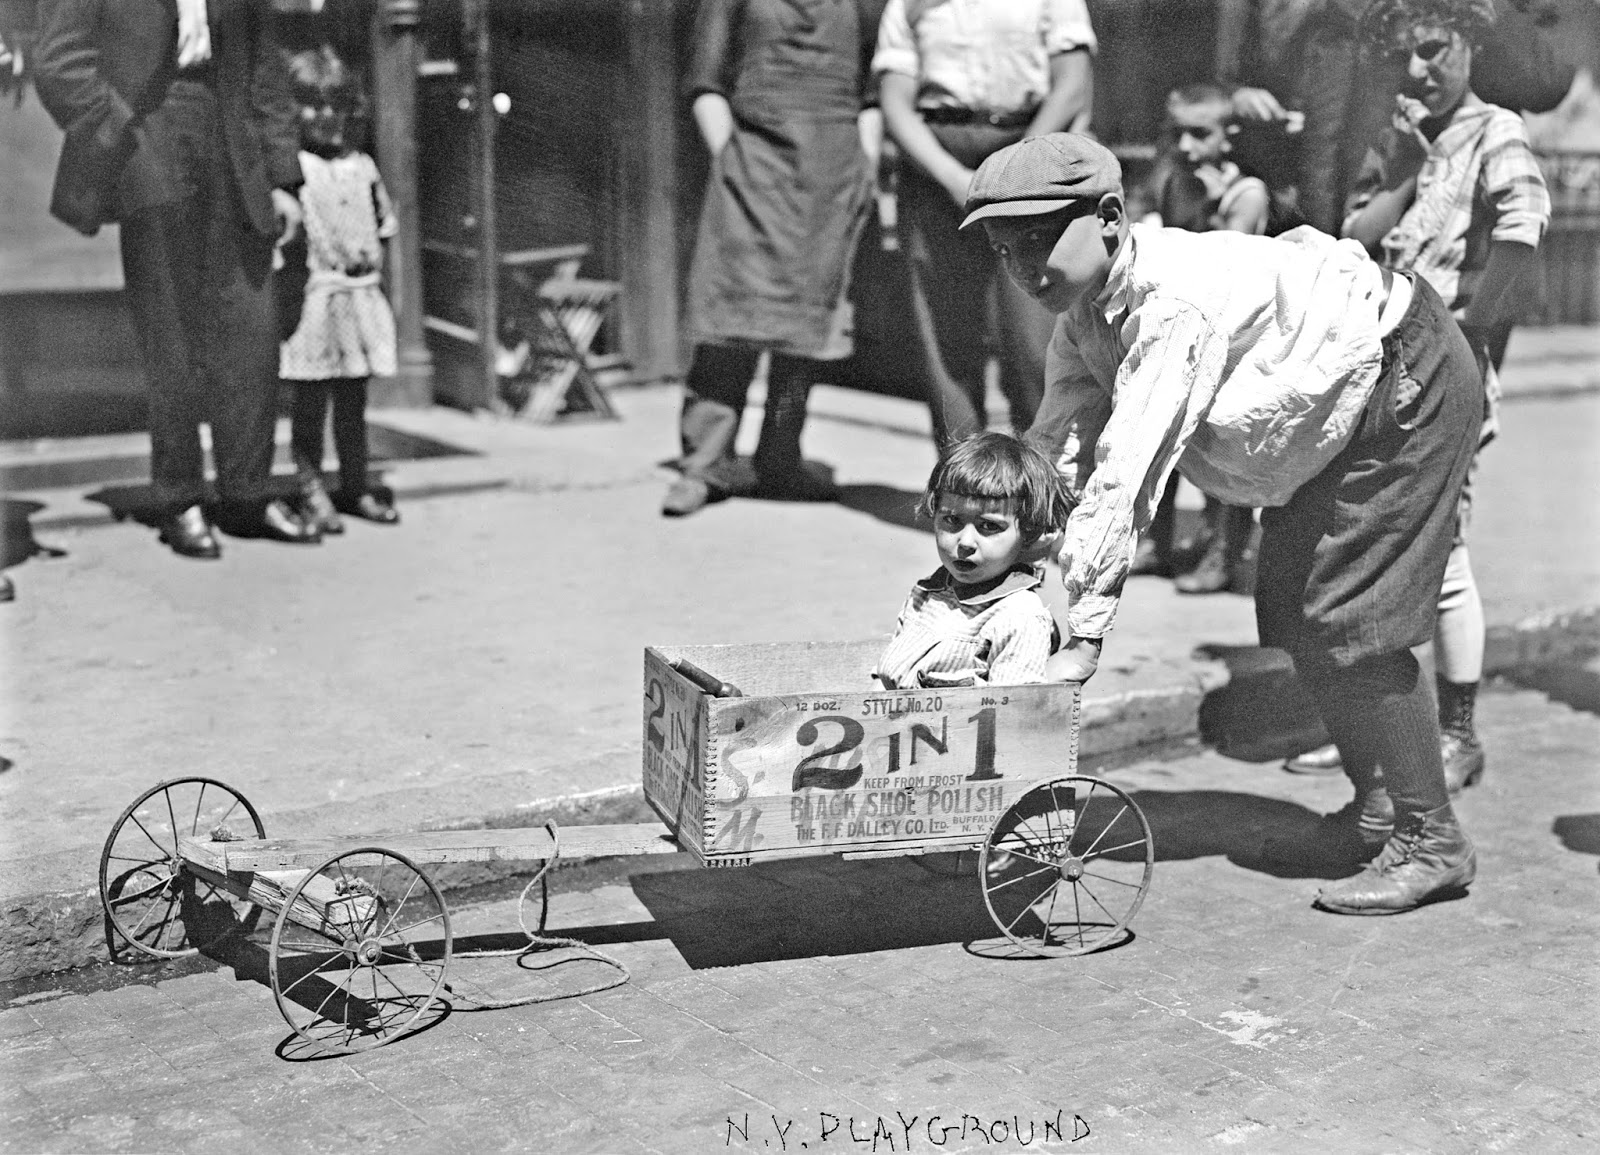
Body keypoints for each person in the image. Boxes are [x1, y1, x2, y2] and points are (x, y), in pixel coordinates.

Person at [964, 133, 1483, 916]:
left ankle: (1432, 834)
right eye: (1007, 251)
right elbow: (1059, 451)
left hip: (1405, 382)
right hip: (1346, 414)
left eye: (1040, 241)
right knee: (1289, 603)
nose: (1024, 267)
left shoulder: (1173, 302)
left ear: (1110, 219)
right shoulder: (1084, 320)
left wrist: (1084, 636)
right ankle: (1379, 807)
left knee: (1355, 614)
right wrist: (991, 551)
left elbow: (1129, 472)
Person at [1290, 0, 1549, 796]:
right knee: (1368, 546)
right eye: (1402, 57)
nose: (1417, 72)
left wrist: (1469, 330)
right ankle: (1371, 726)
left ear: (1469, 39)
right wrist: (1400, 171)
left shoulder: (1496, 130)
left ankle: (1456, 731)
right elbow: (1351, 241)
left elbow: (1523, 233)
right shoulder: (1404, 139)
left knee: (1446, 555)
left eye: (1433, 51)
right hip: (1377, 373)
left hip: (1448, 378)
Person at [33, 0, 321, 557]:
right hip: (149, 133)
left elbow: (264, 66)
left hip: (231, 140)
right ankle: (180, 498)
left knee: (251, 325)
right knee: (170, 334)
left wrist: (284, 177)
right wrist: (120, 129)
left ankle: (246, 495)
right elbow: (58, 63)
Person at [662, 0, 886, 518]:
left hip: (830, 178)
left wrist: (866, 166)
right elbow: (705, 82)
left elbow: (873, 93)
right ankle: (703, 465)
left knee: (803, 326)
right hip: (751, 167)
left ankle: (780, 460)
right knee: (730, 316)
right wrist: (730, 160)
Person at [874, 0, 1095, 447]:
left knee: (1036, 335)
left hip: (1030, 158)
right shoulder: (908, 4)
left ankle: (1041, 479)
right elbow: (895, 102)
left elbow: (1072, 85)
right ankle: (965, 484)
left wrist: (1016, 168)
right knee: (946, 334)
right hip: (938, 167)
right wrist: (954, 179)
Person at [1129, 83, 1268, 595]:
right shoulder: (1173, 179)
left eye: (1200, 134)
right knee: (1162, 439)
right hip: (1180, 331)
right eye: (1178, 133)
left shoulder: (1244, 192)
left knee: (1222, 450)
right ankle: (1155, 541)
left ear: (1228, 135)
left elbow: (1229, 264)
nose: (1186, 147)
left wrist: (1208, 206)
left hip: (1231, 340)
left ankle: (1223, 552)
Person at [278, 45, 401, 533]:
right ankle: (310, 490)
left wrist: (376, 292)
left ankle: (356, 486)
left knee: (353, 403)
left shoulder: (364, 166)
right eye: (312, 104)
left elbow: (383, 228)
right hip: (315, 299)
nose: (326, 117)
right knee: (311, 404)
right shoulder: (295, 170)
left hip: (359, 297)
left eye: (336, 105)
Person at [875, 432, 1070, 690]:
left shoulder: (1019, 618)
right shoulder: (927, 594)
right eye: (952, 520)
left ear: (1029, 533)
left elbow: (1012, 713)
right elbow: (886, 676)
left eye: (989, 526)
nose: (965, 542)